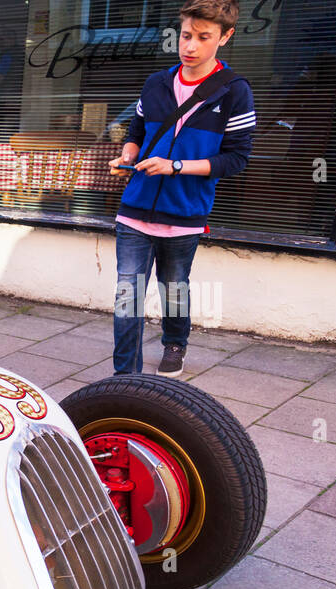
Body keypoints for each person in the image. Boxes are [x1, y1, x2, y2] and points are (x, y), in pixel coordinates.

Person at [107, 0, 254, 377]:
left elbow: (235, 160)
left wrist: (174, 167)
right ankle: (126, 378)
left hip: (185, 214)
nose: (190, 46)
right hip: (135, 210)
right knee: (128, 299)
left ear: (225, 36)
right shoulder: (156, 83)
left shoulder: (235, 92)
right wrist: (128, 155)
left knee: (174, 288)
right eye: (186, 36)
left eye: (204, 38)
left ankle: (175, 344)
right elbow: (137, 133)